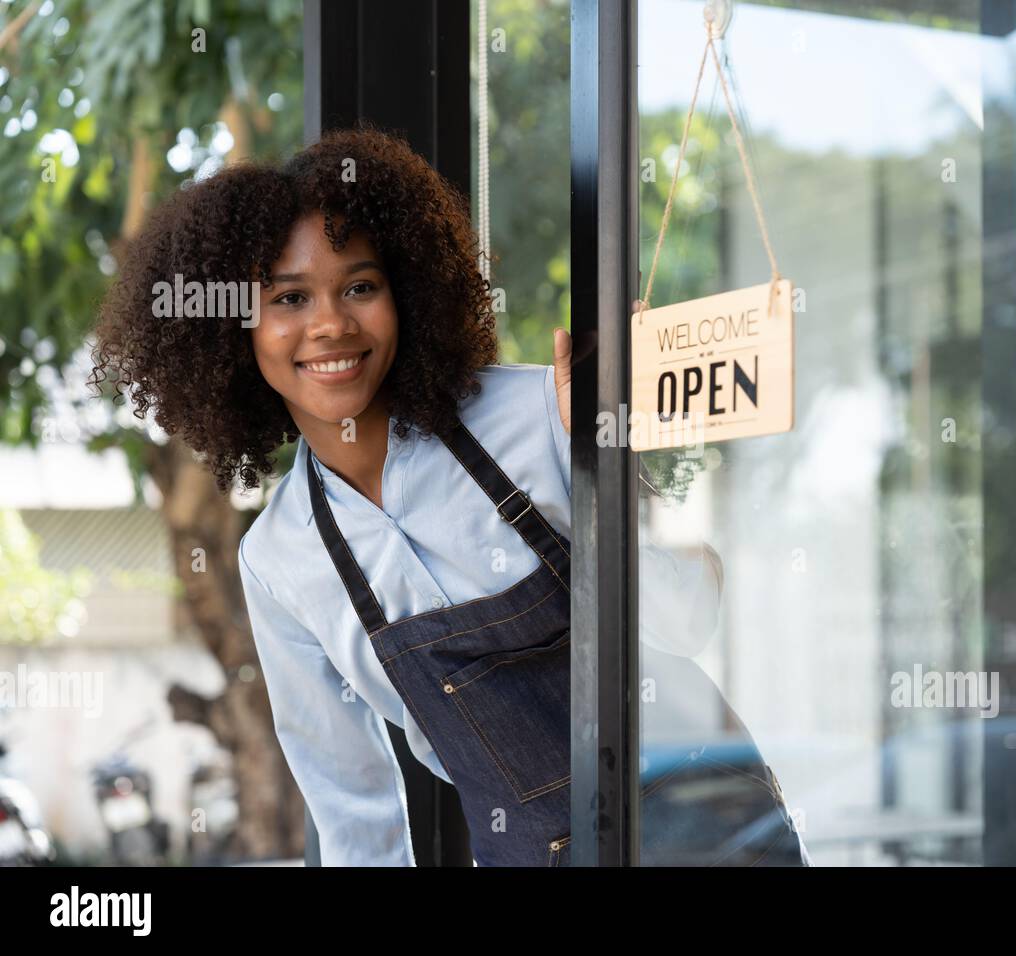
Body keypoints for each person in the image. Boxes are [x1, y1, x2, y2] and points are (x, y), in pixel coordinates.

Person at [89, 126, 806, 866]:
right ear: (236, 332)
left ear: (406, 292)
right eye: (289, 298)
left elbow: (687, 623)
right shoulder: (282, 557)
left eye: (360, 287)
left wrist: (603, 466)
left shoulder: (541, 413)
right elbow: (354, 809)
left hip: (712, 830)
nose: (331, 322)